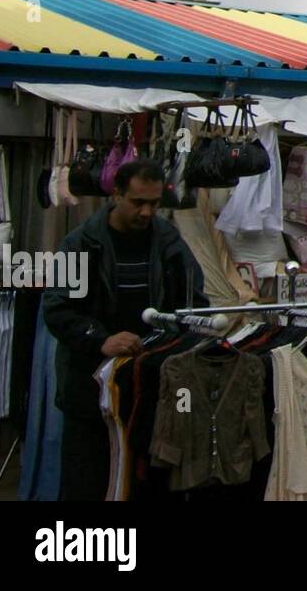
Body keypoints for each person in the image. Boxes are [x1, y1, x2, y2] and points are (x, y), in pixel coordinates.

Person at [43, 157, 206, 501]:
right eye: (138, 202)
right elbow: (57, 309)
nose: (146, 212)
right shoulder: (80, 243)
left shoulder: (168, 241)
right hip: (89, 385)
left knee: (149, 480)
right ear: (116, 195)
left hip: (150, 383)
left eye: (154, 203)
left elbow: (192, 304)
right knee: (87, 478)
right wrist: (101, 340)